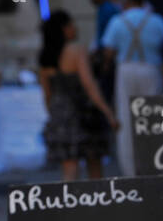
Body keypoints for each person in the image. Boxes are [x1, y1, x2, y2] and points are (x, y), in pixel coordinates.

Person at [37, 10, 118, 181]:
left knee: (69, 169)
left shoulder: (45, 57)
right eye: (71, 25)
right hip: (83, 114)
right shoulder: (76, 51)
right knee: (95, 167)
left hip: (60, 114)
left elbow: (46, 94)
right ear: (64, 29)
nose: (75, 28)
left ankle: (70, 206)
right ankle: (97, 205)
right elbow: (89, 85)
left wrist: (53, 116)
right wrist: (107, 111)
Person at [100, 0, 163, 175]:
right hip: (151, 68)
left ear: (127, 2)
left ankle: (130, 168)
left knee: (126, 115)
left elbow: (108, 49)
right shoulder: (156, 20)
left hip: (126, 68)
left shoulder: (117, 21)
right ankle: (158, 160)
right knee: (156, 113)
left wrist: (108, 64)